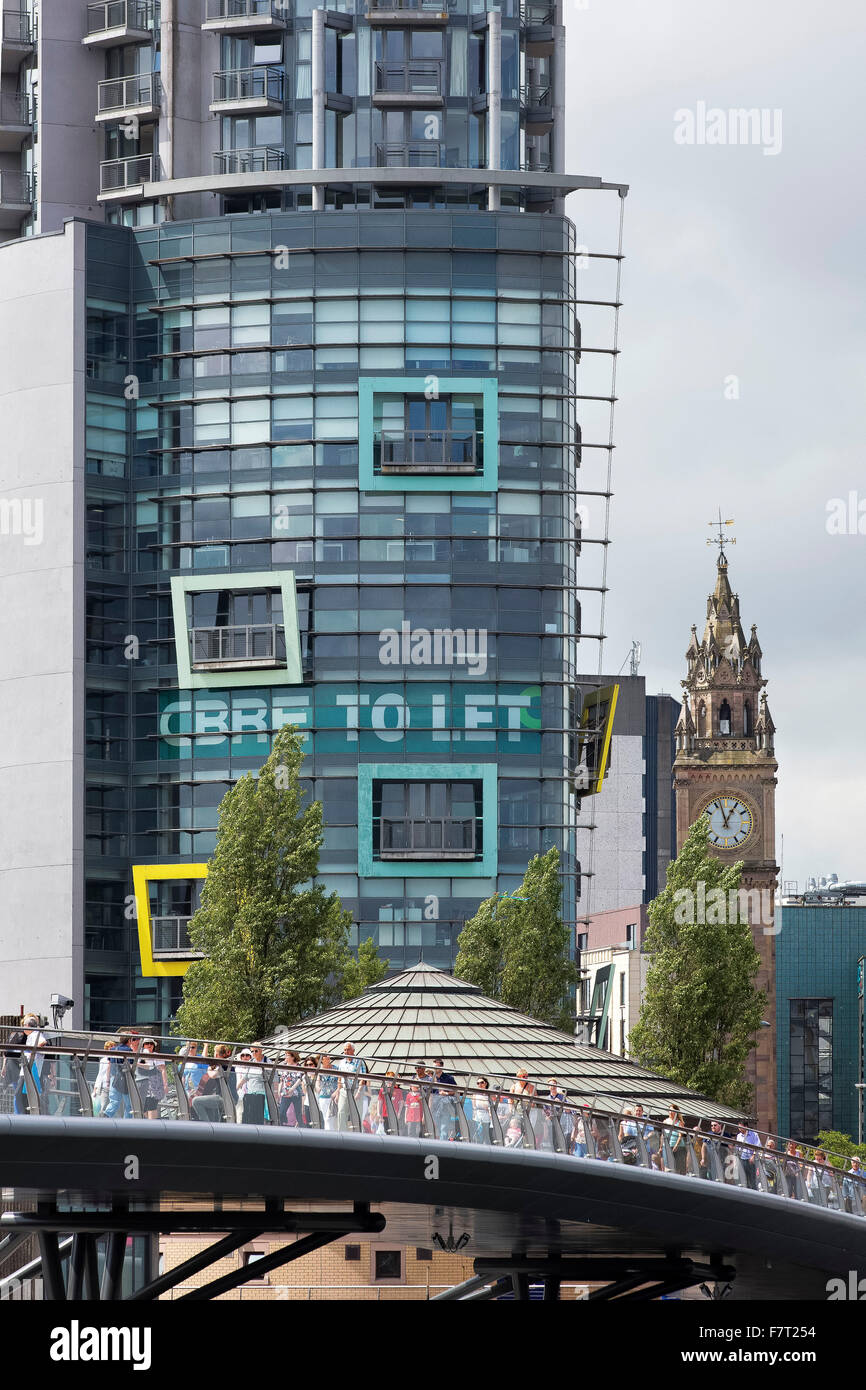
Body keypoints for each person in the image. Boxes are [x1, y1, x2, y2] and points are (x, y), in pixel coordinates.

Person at [191, 1044, 237, 1122]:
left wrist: (209, 1068)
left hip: (224, 1098)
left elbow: (212, 1075)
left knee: (196, 1101)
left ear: (216, 1054)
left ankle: (207, 1124)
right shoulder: (228, 1065)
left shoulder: (221, 1066)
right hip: (231, 1098)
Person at [103, 1033, 140, 1119]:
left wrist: (107, 1080)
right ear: (129, 1040)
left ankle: (106, 1116)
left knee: (114, 1101)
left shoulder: (112, 1050)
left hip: (114, 1079)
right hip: (125, 1080)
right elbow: (131, 1065)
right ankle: (126, 1123)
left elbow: (109, 1064)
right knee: (129, 1104)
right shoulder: (129, 1051)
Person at [335, 1043, 367, 1132]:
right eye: (345, 1050)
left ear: (353, 1050)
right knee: (341, 1112)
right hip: (344, 1090)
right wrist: (338, 1092)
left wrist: (359, 1092)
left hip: (356, 1089)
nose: (346, 1051)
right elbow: (339, 1078)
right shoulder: (341, 1062)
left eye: (348, 1049)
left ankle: (357, 1135)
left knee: (357, 1114)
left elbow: (363, 1079)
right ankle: (341, 1134)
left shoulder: (360, 1061)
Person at [2, 1019, 30, 1114]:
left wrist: (4, 1066)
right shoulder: (20, 1035)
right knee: (18, 1093)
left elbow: (6, 1052)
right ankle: (18, 1114)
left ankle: (18, 1114)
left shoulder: (15, 1034)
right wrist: (4, 1066)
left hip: (16, 1067)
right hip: (16, 1067)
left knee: (18, 1093)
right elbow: (6, 1051)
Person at [136, 1038, 166, 1120]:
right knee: (143, 1106)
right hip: (143, 1084)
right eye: (147, 1043)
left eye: (151, 1043)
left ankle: (152, 1126)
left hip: (155, 1084)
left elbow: (163, 1070)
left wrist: (165, 1084)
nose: (149, 1045)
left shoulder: (157, 1055)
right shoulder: (139, 1056)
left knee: (152, 1105)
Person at [235, 1046, 267, 1124]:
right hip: (240, 1095)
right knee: (239, 1115)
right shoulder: (237, 1068)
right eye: (243, 1055)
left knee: (252, 1116)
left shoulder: (254, 1066)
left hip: (253, 1094)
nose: (245, 1057)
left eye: (247, 1055)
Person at [429, 1058, 458, 1140]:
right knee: (435, 1130)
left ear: (441, 1067)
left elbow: (455, 1091)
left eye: (437, 1066)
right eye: (434, 1066)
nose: (435, 1068)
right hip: (434, 1107)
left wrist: (446, 1093)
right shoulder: (430, 1078)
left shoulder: (449, 1078)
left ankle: (442, 1148)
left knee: (444, 1129)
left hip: (445, 1107)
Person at [278, 1050, 305, 1128]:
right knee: (281, 1112)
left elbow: (300, 1079)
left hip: (296, 1093)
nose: (286, 1056)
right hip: (285, 1093)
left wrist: (292, 1089)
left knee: (298, 1114)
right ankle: (281, 1127)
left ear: (293, 1057)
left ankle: (302, 1129)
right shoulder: (284, 1065)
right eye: (285, 1054)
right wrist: (279, 1091)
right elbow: (281, 1079)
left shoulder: (298, 1066)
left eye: (288, 1055)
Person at [90, 1040, 116, 1117]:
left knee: (112, 1105)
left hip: (113, 1085)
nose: (111, 1048)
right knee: (102, 1105)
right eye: (110, 1047)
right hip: (104, 1086)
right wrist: (96, 1087)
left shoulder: (116, 1059)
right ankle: (101, 1120)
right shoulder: (103, 1060)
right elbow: (100, 1074)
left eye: (113, 1047)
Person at [735, 1119, 761, 1189]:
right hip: (742, 1159)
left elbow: (758, 1146)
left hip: (751, 1160)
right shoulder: (739, 1136)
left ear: (746, 1126)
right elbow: (737, 1148)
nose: (739, 1129)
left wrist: (753, 1156)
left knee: (752, 1179)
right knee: (743, 1179)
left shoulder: (754, 1134)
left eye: (741, 1127)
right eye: (738, 1127)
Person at [316, 1055, 339, 1131]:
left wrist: (336, 1092)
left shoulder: (336, 1069)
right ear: (322, 1060)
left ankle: (331, 1134)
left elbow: (340, 1082)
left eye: (329, 1059)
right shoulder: (320, 1070)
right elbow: (317, 1081)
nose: (328, 1060)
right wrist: (318, 1087)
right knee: (325, 1118)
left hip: (333, 1097)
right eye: (326, 1059)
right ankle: (328, 1133)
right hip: (323, 1097)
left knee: (330, 1118)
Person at [664, 1106, 688, 1175]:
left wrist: (676, 1145)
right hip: (667, 1145)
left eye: (673, 1111)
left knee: (677, 1168)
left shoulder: (680, 1123)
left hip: (678, 1147)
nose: (671, 1112)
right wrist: (661, 1146)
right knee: (667, 1166)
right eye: (670, 1110)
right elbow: (663, 1135)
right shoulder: (665, 1121)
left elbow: (680, 1135)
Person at [471, 1076, 493, 1144]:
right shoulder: (475, 1094)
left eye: (481, 1082)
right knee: (479, 1135)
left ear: (485, 1083)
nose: (480, 1084)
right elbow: (474, 1106)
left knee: (486, 1135)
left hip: (487, 1118)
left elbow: (490, 1105)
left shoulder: (489, 1094)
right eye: (478, 1083)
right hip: (478, 1117)